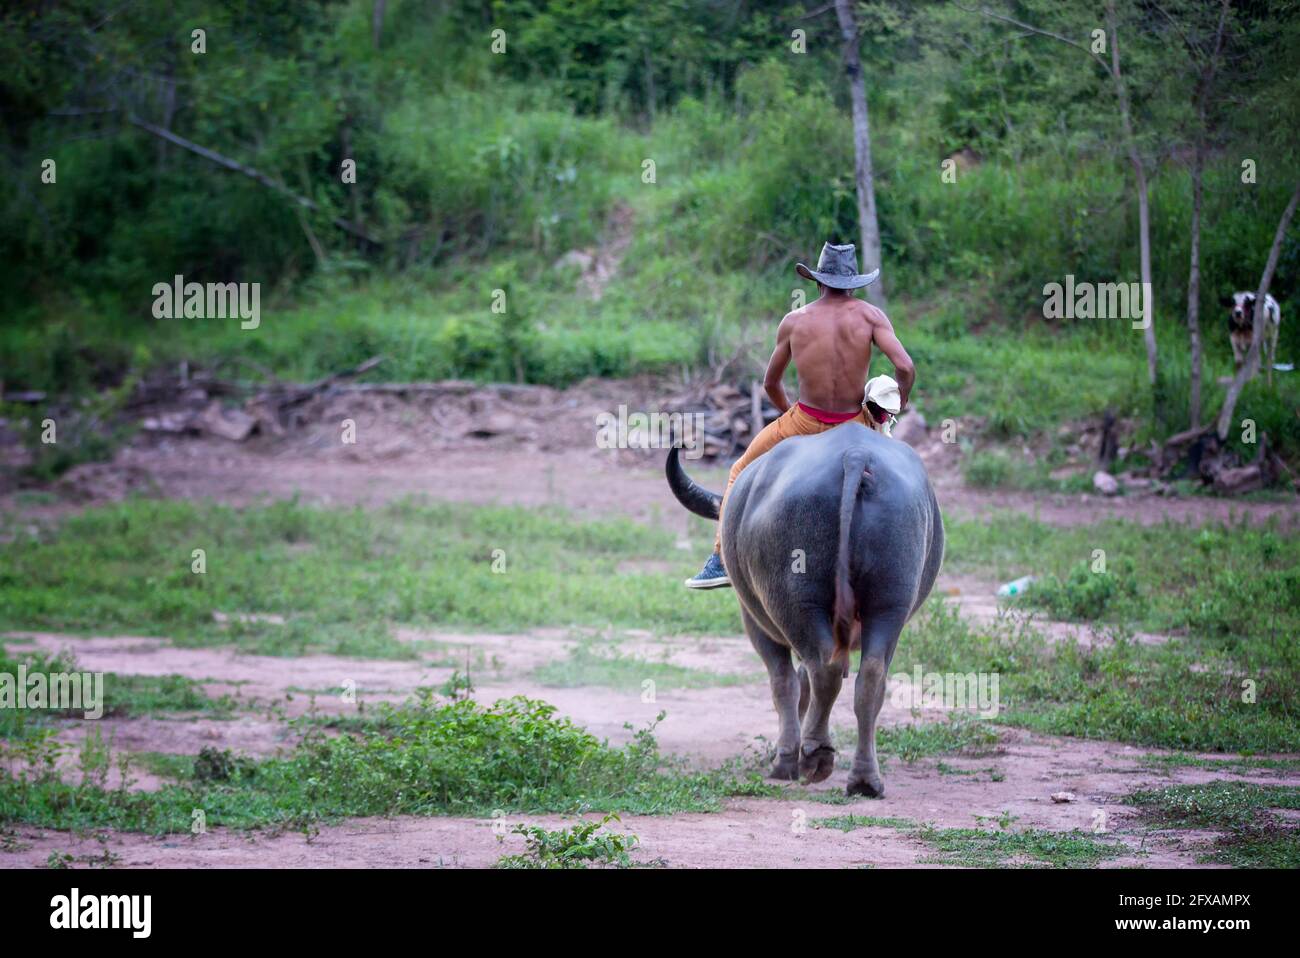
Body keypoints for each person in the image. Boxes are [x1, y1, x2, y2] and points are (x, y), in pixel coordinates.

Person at [685, 242, 915, 589]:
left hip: (805, 420)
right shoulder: (870, 317)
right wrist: (901, 402)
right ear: (853, 284)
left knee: (738, 471)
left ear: (818, 282)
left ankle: (720, 560)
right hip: (854, 425)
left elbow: (770, 382)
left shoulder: (795, 321)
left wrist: (790, 413)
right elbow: (905, 366)